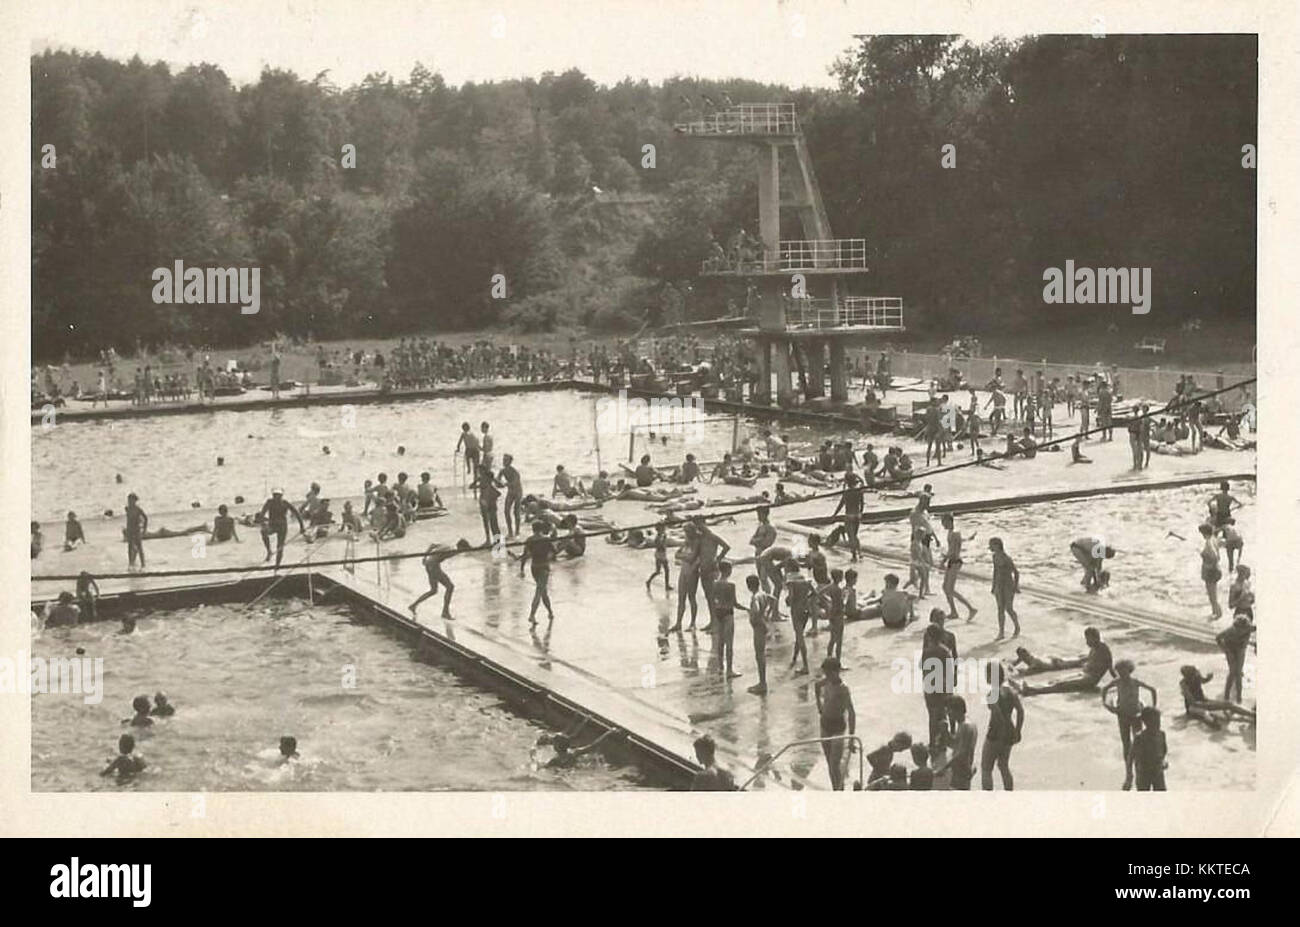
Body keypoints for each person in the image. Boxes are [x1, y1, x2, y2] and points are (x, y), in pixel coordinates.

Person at [1101, 659, 1158, 790]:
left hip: (1136, 715)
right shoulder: (1117, 682)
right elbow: (1104, 690)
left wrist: (1152, 707)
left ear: (1129, 670)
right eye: (1119, 671)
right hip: (1122, 715)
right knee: (1126, 743)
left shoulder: (1135, 682)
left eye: (1124, 670)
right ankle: (1129, 773)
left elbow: (1152, 690)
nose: (1121, 674)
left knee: (1138, 741)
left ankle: (1138, 768)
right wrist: (1107, 705)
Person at [1022, 627, 1116, 695]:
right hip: (1084, 674)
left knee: (1061, 685)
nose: (1087, 642)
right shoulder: (1094, 648)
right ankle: (1033, 687)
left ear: (1095, 638)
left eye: (1088, 639)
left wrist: (1120, 683)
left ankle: (1033, 690)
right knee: (1057, 680)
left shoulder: (1104, 650)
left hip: (1089, 680)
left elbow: (1110, 667)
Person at [815, 657, 856, 791]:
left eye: (829, 673)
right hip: (825, 724)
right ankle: (836, 789)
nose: (827, 676)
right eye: (825, 673)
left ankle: (840, 790)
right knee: (830, 763)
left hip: (838, 727)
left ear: (836, 672)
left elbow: (851, 712)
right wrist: (819, 706)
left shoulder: (843, 689)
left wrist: (851, 736)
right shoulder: (825, 682)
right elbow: (816, 686)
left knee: (834, 764)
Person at [980, 662, 1023, 790]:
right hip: (1010, 730)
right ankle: (1009, 792)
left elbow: (997, 714)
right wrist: (1017, 730)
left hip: (996, 732)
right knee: (1003, 766)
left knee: (986, 768)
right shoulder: (1010, 691)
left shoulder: (992, 694)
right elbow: (1020, 711)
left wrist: (1000, 733)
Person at [410, 538, 471, 619]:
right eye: (464, 550)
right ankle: (445, 612)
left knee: (433, 590)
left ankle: (413, 605)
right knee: (450, 587)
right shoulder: (453, 551)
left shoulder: (448, 545)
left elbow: (432, 545)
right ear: (461, 547)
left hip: (430, 564)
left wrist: (425, 557)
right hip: (433, 566)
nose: (463, 552)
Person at [1178, 665, 1256, 728]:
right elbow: (1193, 703)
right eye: (1195, 673)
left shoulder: (1196, 676)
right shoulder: (1184, 684)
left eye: (1197, 673)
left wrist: (1209, 678)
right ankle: (1213, 721)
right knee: (1206, 713)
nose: (1197, 674)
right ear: (1188, 676)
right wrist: (1210, 705)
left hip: (1203, 701)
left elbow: (1203, 680)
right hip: (1193, 707)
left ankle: (1252, 714)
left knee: (1228, 705)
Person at [940, 514, 978, 621]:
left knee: (950, 589)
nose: (943, 525)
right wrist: (969, 538)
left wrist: (943, 561)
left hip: (955, 562)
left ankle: (971, 609)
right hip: (953, 561)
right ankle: (954, 611)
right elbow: (959, 542)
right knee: (945, 587)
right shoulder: (953, 532)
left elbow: (952, 551)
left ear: (949, 521)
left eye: (944, 522)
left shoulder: (954, 533)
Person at [518, 520, 556, 625]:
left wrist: (521, 569)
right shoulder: (546, 539)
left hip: (534, 567)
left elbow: (525, 555)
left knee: (543, 592)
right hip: (544, 567)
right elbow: (554, 551)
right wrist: (548, 557)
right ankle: (532, 615)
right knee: (539, 592)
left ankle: (550, 612)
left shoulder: (529, 540)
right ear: (541, 529)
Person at [935, 696, 978, 789]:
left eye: (949, 711)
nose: (947, 714)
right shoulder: (963, 723)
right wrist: (945, 732)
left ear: (957, 710)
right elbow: (955, 745)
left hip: (962, 770)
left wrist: (944, 768)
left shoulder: (966, 727)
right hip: (961, 768)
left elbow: (961, 753)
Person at [258, 489, 306, 568]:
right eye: (275, 495)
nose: (276, 498)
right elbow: (262, 514)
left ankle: (277, 565)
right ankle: (269, 551)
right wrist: (263, 523)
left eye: (278, 496)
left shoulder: (285, 503)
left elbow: (297, 513)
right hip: (272, 526)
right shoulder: (269, 502)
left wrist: (302, 527)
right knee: (263, 532)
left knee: (280, 547)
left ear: (281, 496)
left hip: (282, 527)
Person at [745, 574, 776, 695]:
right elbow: (774, 599)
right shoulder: (762, 593)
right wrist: (767, 614)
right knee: (760, 654)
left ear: (749, 586)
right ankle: (762, 682)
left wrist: (754, 616)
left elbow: (756, 610)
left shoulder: (755, 597)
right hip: (763, 624)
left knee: (759, 655)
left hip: (758, 627)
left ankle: (762, 683)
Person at [710, 561, 741, 678]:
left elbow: (713, 600)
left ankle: (720, 667)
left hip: (718, 613)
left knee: (720, 642)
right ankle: (729, 670)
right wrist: (747, 608)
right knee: (729, 643)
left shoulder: (715, 584)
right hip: (728, 613)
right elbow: (735, 603)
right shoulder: (731, 585)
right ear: (728, 570)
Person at [1215, 614, 1252, 704]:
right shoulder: (1231, 630)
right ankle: (1226, 695)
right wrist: (1225, 650)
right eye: (1238, 629)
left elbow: (1244, 644)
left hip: (1240, 649)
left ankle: (1239, 696)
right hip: (1230, 649)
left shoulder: (1248, 629)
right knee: (1232, 672)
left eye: (1242, 629)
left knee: (1238, 673)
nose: (1240, 631)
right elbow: (1218, 638)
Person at [988, 537, 1021, 639]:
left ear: (998, 545)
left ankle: (1017, 626)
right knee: (1000, 609)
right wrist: (993, 586)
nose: (990, 547)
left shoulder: (1007, 559)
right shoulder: (994, 557)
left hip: (1008, 585)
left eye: (992, 545)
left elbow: (1016, 572)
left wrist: (1016, 586)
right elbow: (995, 571)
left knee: (1009, 608)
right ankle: (1001, 632)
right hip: (999, 585)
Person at [1130, 707, 1168, 791]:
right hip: (1143, 773)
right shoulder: (1140, 737)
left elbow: (1164, 750)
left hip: (1158, 772)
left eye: (1159, 721)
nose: (1158, 724)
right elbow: (1131, 756)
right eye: (1155, 722)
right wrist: (1129, 774)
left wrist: (1163, 761)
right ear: (1146, 723)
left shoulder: (1161, 735)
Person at [1198, 523, 1223, 621]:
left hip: (1211, 571)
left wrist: (1209, 564)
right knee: (1213, 594)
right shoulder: (1214, 539)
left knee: (1212, 595)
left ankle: (1217, 614)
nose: (1202, 535)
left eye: (1201, 533)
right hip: (1215, 569)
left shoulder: (1209, 542)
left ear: (1204, 533)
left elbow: (1215, 556)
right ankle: (1215, 613)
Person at [645, 524, 673, 593]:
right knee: (665, 570)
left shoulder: (660, 536)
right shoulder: (659, 537)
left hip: (659, 554)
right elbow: (660, 546)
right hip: (661, 555)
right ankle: (666, 585)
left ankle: (649, 581)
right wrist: (664, 540)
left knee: (659, 571)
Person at [124, 493, 148, 570]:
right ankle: (131, 563)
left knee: (139, 546)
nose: (129, 502)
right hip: (130, 530)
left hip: (137, 530)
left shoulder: (138, 509)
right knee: (130, 547)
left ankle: (143, 564)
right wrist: (127, 530)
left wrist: (144, 529)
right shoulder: (127, 508)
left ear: (135, 501)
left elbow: (145, 518)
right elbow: (128, 521)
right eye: (128, 500)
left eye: (131, 500)